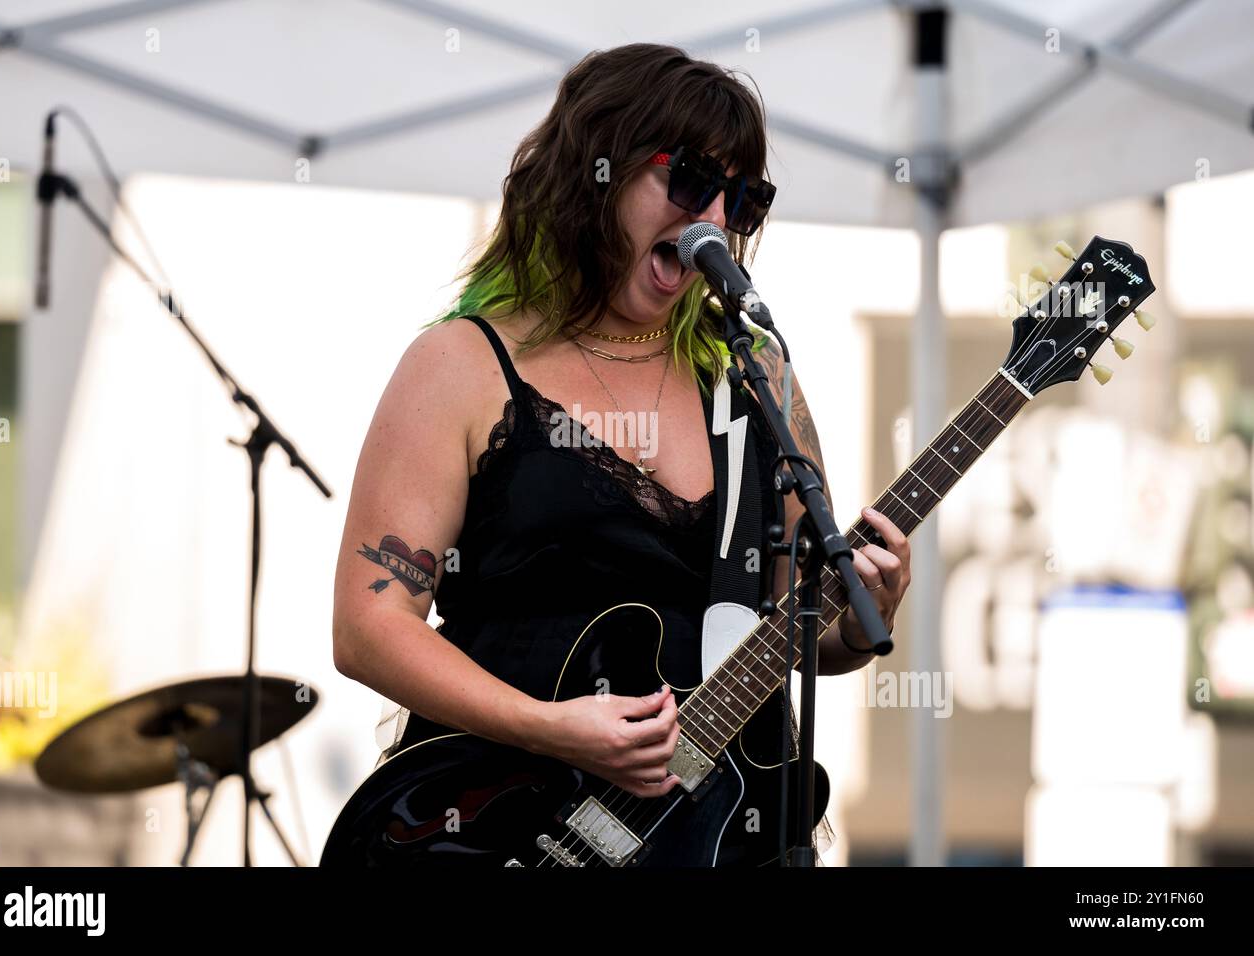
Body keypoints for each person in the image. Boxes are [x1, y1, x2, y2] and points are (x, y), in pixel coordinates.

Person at [331, 43, 910, 859]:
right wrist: (551, 728)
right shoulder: (460, 365)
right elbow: (367, 626)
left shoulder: (755, 376)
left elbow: (791, 627)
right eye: (689, 181)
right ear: (594, 171)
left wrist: (861, 618)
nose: (712, 217)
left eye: (742, 199)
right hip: (500, 827)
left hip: (710, 835)